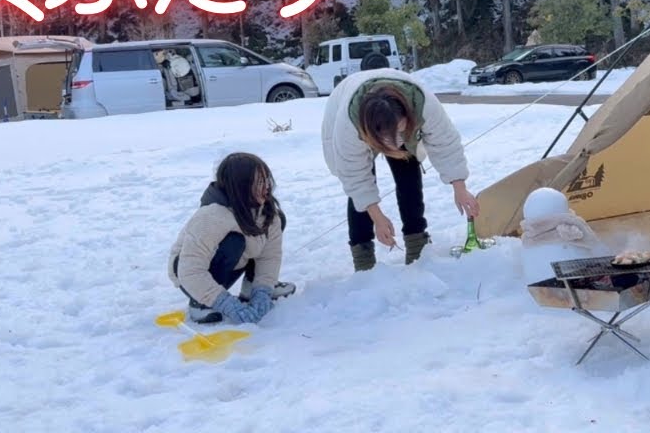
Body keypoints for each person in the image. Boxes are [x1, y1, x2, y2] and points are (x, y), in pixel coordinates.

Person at [321, 66, 478, 271]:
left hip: (395, 114)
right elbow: (355, 176)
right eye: (388, 139)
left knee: (409, 174)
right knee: (360, 193)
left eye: (400, 132)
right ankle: (363, 258)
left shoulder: (423, 103)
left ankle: (416, 242)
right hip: (348, 108)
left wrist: (459, 187)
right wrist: (377, 217)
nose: (395, 144)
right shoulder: (348, 125)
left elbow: (445, 143)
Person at [168, 152, 296, 324]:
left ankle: (252, 288)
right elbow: (190, 270)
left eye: (267, 180)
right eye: (259, 182)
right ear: (240, 186)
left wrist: (263, 290)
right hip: (189, 275)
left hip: (234, 263)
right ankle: (200, 302)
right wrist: (227, 304)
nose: (267, 187)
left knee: (274, 223)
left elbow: (269, 256)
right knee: (234, 241)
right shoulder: (212, 216)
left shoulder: (265, 210)